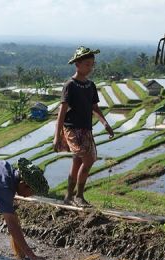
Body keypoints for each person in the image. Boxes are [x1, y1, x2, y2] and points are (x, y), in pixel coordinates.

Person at [54, 46, 115, 207]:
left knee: (77, 162)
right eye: (87, 64)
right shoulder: (70, 85)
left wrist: (105, 123)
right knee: (89, 159)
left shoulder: (90, 85)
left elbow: (94, 107)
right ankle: (79, 195)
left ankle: (68, 196)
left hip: (86, 129)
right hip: (72, 129)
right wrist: (56, 136)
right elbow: (61, 112)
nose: (90, 68)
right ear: (78, 64)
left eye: (92, 64)